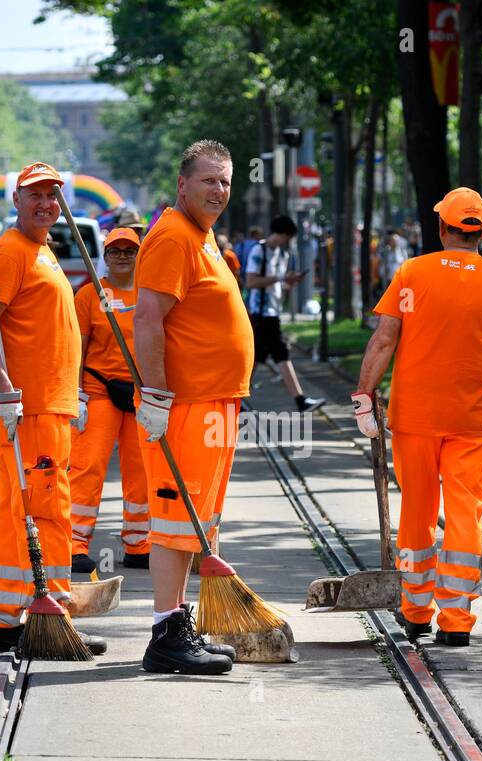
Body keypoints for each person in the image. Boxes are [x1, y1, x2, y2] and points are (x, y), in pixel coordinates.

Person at [354, 187, 482, 646]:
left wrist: (364, 397)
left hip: (414, 418)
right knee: (465, 515)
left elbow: (384, 339)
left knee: (417, 512)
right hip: (470, 421)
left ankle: (415, 611)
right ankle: (457, 621)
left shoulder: (411, 273)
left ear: (442, 227)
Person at [0, 162, 97, 657]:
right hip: (30, 408)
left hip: (52, 407)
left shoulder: (43, 250)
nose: (46, 203)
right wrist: (3, 387)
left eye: (53, 196)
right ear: (16, 201)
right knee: (43, 511)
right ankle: (48, 613)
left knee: (29, 509)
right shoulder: (10, 251)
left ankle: (9, 619)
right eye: (36, 195)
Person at [132, 140, 253, 676]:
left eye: (226, 181)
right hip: (185, 407)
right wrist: (155, 395)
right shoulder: (172, 237)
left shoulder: (202, 238)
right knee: (174, 523)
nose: (219, 190)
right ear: (183, 185)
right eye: (209, 180)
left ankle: (179, 626)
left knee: (195, 524)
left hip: (213, 405)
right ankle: (166, 633)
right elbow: (147, 320)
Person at [68, 227, 151, 575]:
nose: (122, 256)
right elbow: (78, 346)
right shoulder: (89, 295)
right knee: (87, 468)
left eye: (129, 251)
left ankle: (138, 544)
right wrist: (76, 393)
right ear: (104, 255)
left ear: (138, 255)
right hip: (98, 390)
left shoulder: (151, 295)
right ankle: (73, 543)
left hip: (139, 393)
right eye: (115, 250)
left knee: (142, 472)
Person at [244, 214, 325, 412]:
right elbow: (251, 281)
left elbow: (279, 282)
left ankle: (235, 400)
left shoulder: (284, 255)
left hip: (274, 310)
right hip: (261, 312)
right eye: (287, 237)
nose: (288, 242)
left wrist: (289, 282)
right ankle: (300, 400)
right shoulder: (259, 250)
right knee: (281, 353)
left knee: (256, 358)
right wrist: (281, 277)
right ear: (280, 234)